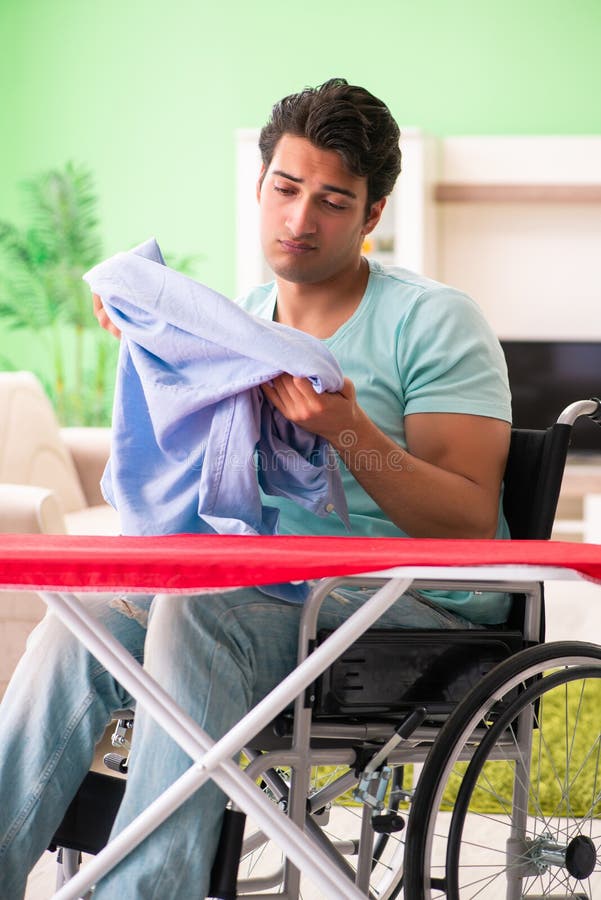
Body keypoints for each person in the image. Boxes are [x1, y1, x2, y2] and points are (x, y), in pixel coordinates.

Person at [0, 78, 511, 898]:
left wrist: (347, 433)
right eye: (285, 188)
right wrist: (151, 349)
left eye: (333, 202)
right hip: (266, 586)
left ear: (372, 215)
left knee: (201, 610)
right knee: (80, 626)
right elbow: (185, 481)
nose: (299, 220)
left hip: (409, 603)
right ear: (260, 184)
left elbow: (469, 519)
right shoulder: (233, 324)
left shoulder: (434, 321)